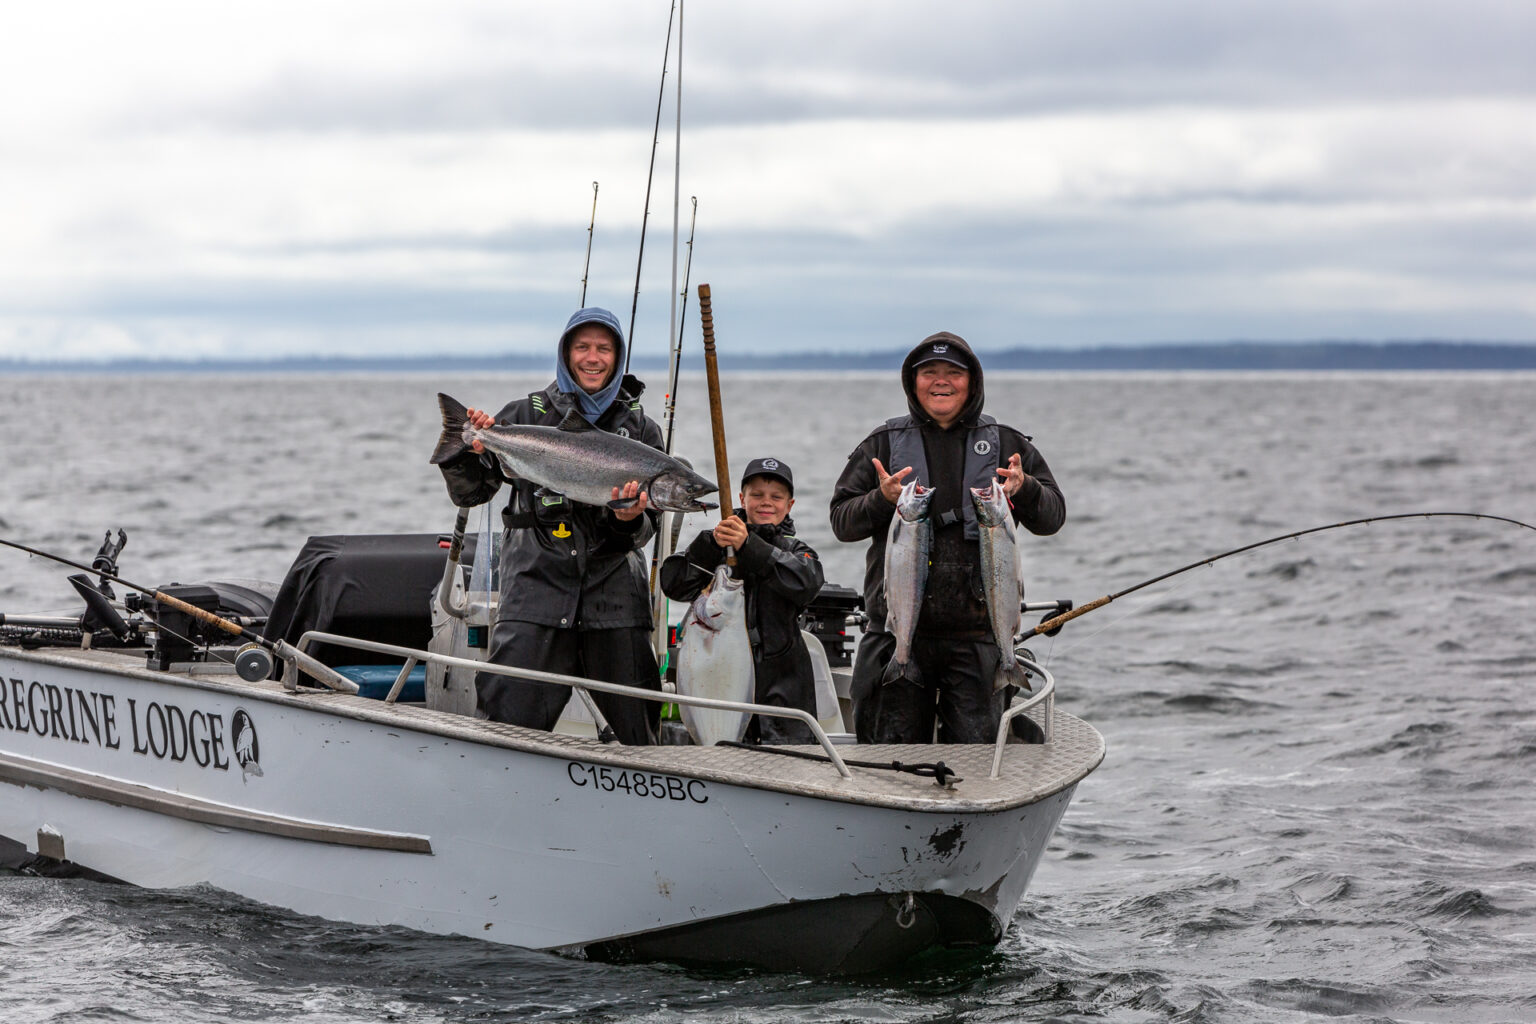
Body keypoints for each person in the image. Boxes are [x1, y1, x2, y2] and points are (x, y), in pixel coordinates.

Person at [436, 306, 663, 744]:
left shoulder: (641, 430)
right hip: (535, 592)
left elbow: (647, 527)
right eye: (582, 347)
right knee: (506, 734)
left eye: (604, 348)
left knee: (638, 737)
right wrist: (466, 450)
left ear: (618, 357)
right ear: (565, 353)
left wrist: (630, 520)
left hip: (616, 600)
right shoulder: (525, 413)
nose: (593, 358)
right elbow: (471, 494)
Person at [829, 332, 1065, 744]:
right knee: (886, 764)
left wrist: (1025, 488)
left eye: (953, 373)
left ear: (972, 382)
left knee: (976, 763)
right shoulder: (882, 443)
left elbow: (1053, 518)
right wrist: (881, 500)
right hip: (895, 634)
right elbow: (841, 522)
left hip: (977, 639)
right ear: (912, 382)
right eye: (930, 372)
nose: (941, 381)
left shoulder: (1006, 444)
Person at [661, 458, 825, 744]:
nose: (766, 502)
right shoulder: (716, 543)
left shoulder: (797, 551)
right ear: (741, 499)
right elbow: (674, 585)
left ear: (790, 505)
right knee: (717, 746)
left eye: (776, 497)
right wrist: (710, 546)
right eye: (757, 495)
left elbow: (807, 582)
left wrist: (750, 546)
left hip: (781, 697)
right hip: (720, 679)